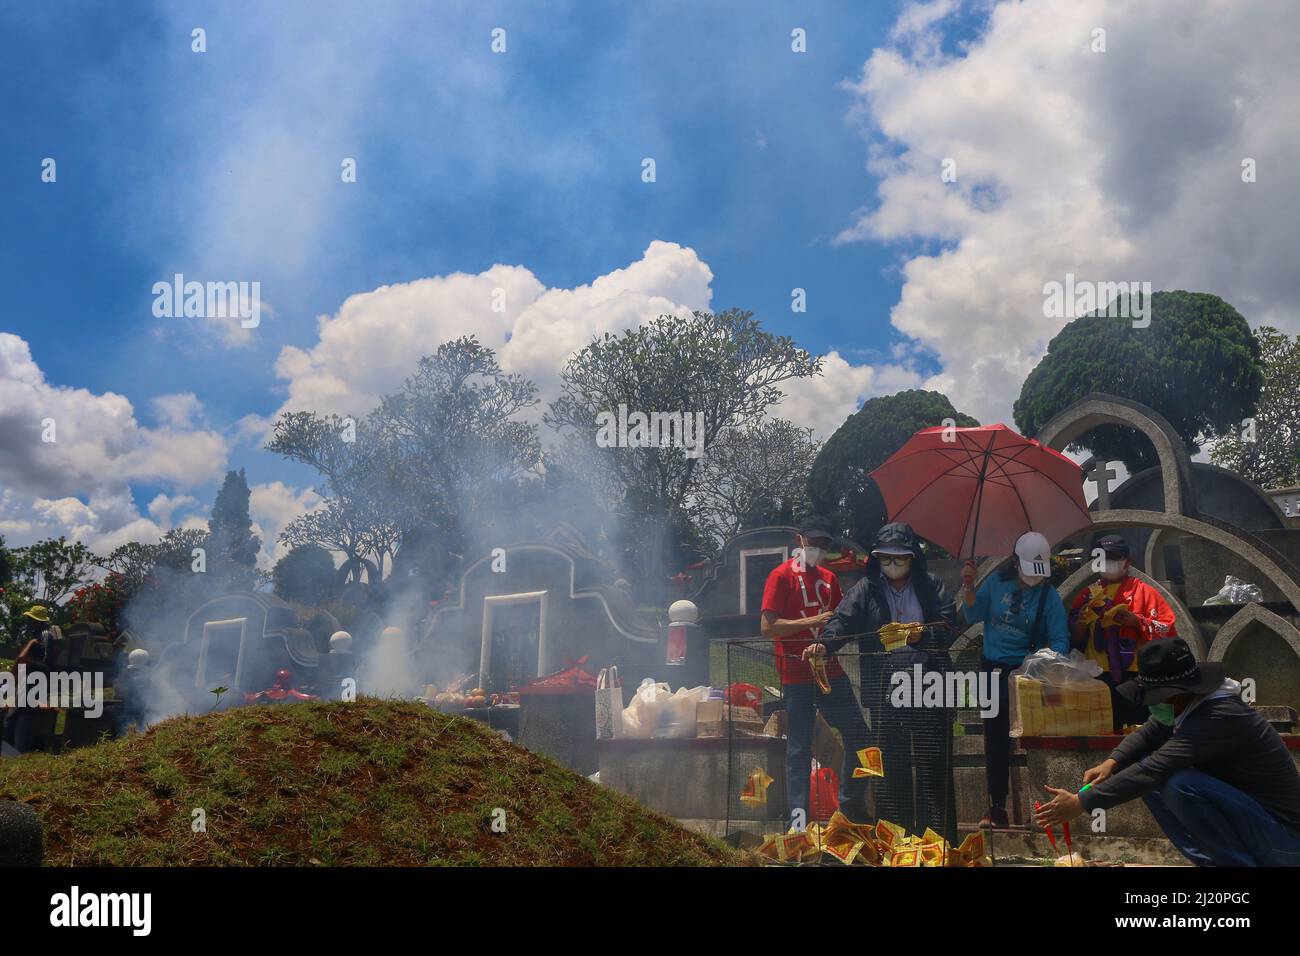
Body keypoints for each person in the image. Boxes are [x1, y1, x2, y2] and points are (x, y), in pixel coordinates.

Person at [1036, 638, 1300, 866]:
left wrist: (1080, 803)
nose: (1154, 707)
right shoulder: (1192, 705)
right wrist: (1112, 762)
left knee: (1180, 784)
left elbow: (1153, 768)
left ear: (1177, 694)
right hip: (1263, 832)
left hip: (1285, 841)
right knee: (1150, 781)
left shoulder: (1217, 716)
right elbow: (1151, 731)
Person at [815, 522, 958, 843]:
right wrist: (824, 645)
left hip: (928, 685)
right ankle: (896, 842)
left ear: (913, 559)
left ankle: (939, 842)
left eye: (901, 559)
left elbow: (950, 625)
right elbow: (842, 619)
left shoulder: (931, 585)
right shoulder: (866, 589)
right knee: (890, 766)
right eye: (886, 559)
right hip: (886, 688)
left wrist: (924, 633)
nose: (893, 566)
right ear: (877, 560)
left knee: (932, 765)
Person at [760, 516, 871, 825]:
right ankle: (798, 822)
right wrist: (809, 623)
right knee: (798, 746)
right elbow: (768, 627)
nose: (819, 549)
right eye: (814, 543)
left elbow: (837, 620)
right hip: (795, 673)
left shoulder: (829, 577)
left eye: (825, 545)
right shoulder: (779, 576)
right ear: (800, 540)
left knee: (860, 736)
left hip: (829, 669)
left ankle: (849, 809)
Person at [959, 530, 1070, 827]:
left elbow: (1060, 640)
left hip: (1029, 674)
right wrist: (969, 586)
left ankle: (1044, 809)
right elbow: (972, 614)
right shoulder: (996, 583)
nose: (1032, 579)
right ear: (1014, 562)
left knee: (1035, 738)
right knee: (995, 741)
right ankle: (996, 807)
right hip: (993, 670)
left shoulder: (1048, 595)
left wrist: (1042, 666)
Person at [1068, 533, 1175, 731]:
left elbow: (1167, 629)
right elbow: (1075, 638)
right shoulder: (1086, 594)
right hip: (1099, 675)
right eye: (1102, 559)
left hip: (1136, 673)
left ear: (1127, 562)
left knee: (1140, 730)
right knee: (1105, 730)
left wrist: (1137, 622)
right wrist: (1082, 621)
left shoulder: (1145, 592)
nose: (1107, 564)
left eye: (1113, 559)